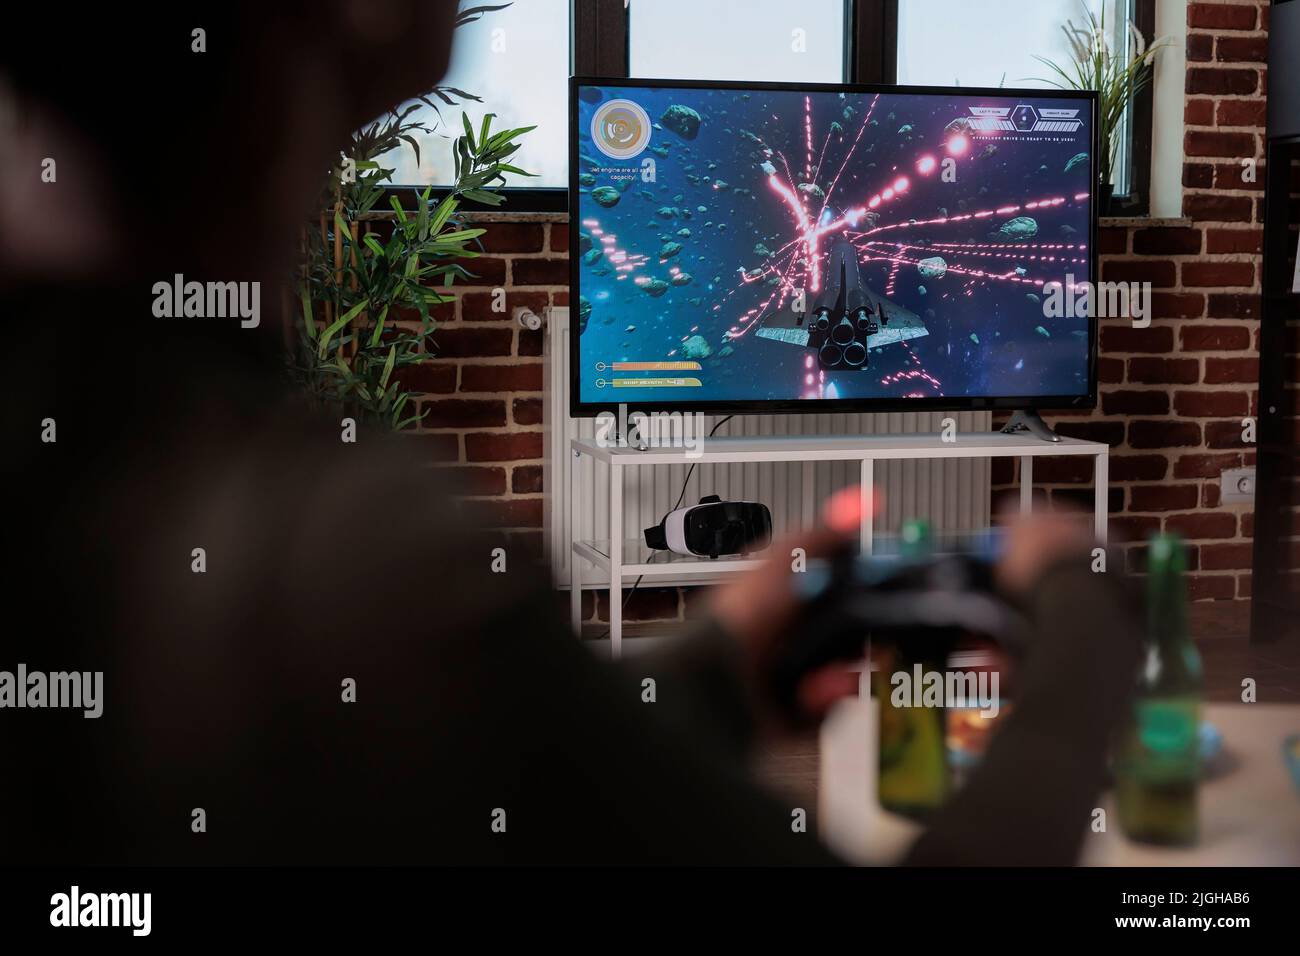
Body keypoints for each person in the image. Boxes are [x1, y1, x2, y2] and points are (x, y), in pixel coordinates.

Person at [0, 2, 1141, 865]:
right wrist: (1078, 599)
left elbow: (516, 748)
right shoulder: (351, 560)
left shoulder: (119, 446)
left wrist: (720, 656)